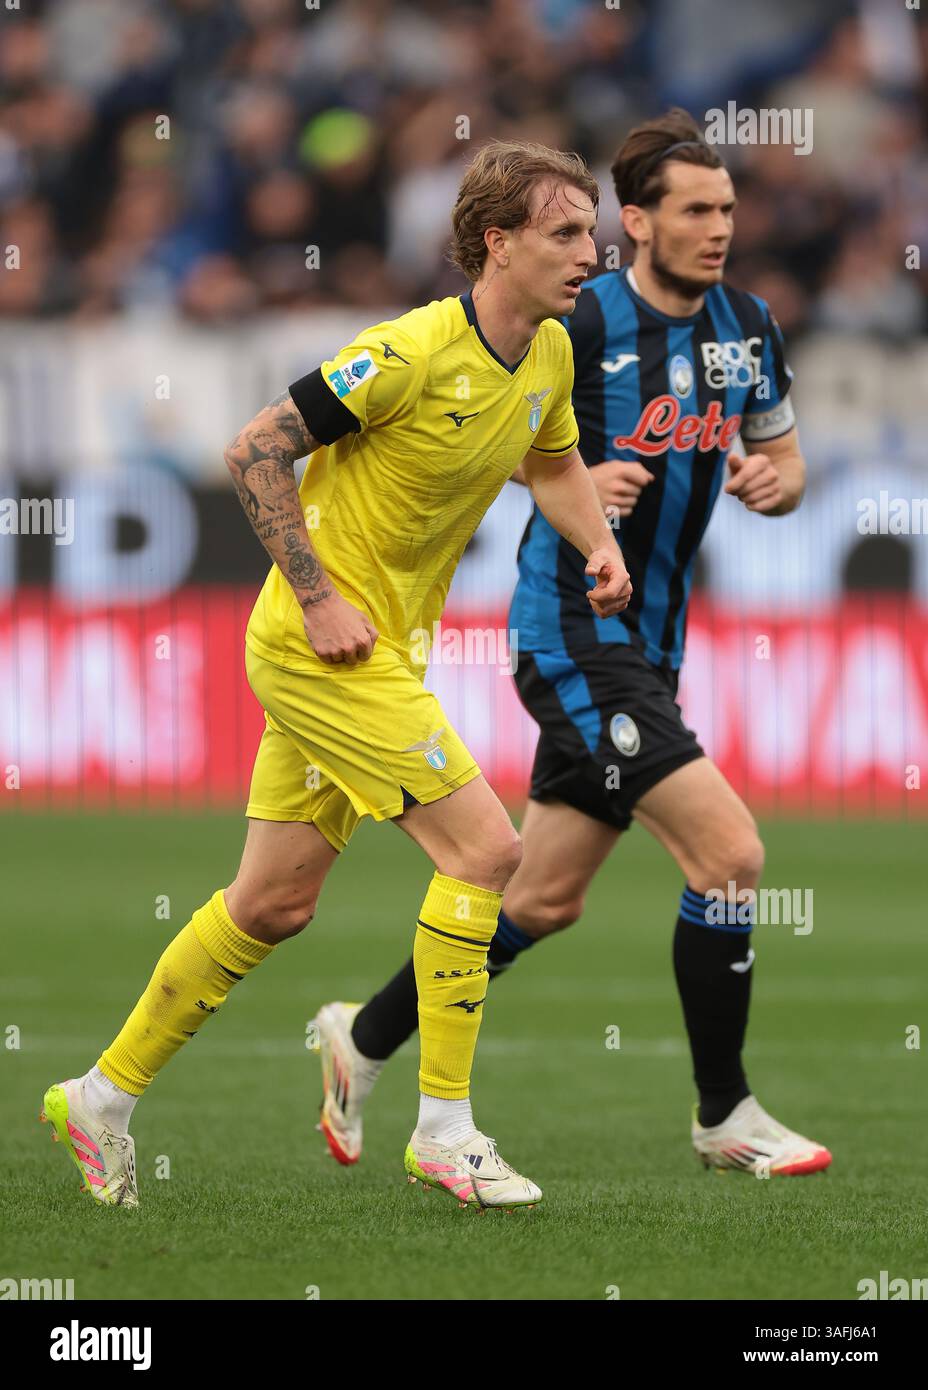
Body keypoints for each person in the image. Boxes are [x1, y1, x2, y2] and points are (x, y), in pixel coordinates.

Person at [40, 140, 634, 1211]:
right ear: (495, 244)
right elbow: (253, 449)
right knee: (489, 851)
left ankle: (99, 1094)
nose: (588, 252)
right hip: (319, 648)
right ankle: (446, 1130)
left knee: (273, 904)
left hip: (383, 650)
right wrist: (317, 596)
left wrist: (598, 542)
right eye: (563, 233)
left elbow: (550, 462)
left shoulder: (547, 352)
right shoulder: (405, 353)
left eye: (588, 233)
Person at [312, 110, 832, 1180]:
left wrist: (781, 484)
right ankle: (722, 1111)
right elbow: (477, 426)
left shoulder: (746, 322)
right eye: (692, 210)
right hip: (572, 632)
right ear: (633, 220)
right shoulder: (578, 321)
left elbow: (780, 459)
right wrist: (565, 483)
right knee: (729, 854)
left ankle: (359, 1039)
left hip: (655, 641)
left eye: (727, 208)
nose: (717, 227)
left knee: (542, 898)